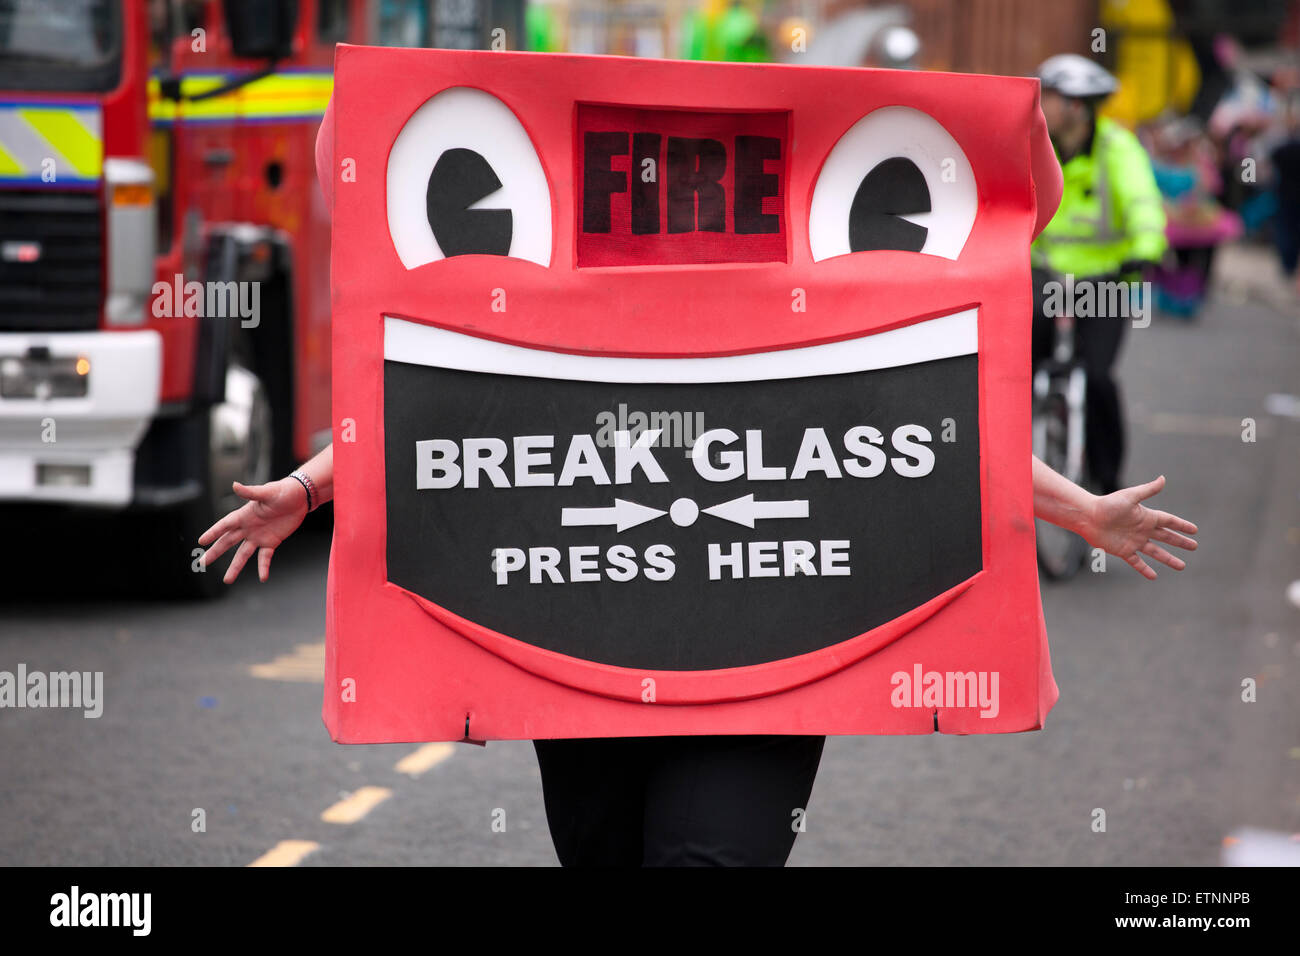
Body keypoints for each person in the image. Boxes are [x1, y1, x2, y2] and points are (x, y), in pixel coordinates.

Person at [197, 93, 1198, 868]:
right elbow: (450, 418)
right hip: (580, 654)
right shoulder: (558, 304)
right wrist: (310, 486)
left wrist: (1081, 510)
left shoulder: (808, 314)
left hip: (770, 661)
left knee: (707, 858)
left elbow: (921, 432)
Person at [1031, 54, 1168, 494]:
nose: (1039, 105)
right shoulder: (1032, 145)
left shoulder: (1117, 148)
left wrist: (1146, 249)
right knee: (1013, 368)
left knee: (1098, 378)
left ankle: (1108, 484)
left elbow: (1143, 202)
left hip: (1106, 280)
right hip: (1043, 274)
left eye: (1048, 97)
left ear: (1075, 105)